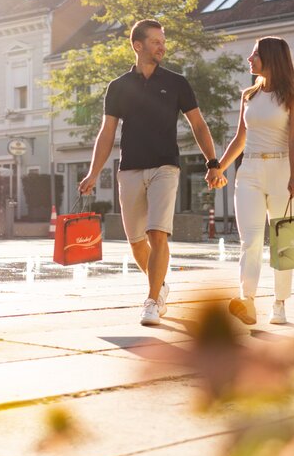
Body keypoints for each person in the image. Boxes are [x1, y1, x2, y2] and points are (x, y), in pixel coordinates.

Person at [79, 19, 221, 326]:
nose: (162, 47)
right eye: (156, 41)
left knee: (157, 233)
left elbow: (198, 124)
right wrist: (93, 173)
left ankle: (153, 300)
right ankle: (161, 285)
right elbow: (107, 133)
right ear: (138, 45)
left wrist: (213, 162)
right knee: (135, 242)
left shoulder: (177, 82)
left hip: (165, 166)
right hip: (129, 168)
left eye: (163, 41)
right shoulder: (117, 87)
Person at [207, 36, 294, 325]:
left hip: (280, 170)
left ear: (271, 58)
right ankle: (247, 300)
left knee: (283, 242)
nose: (249, 60)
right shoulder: (248, 95)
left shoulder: (293, 96)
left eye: (254, 55)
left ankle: (279, 302)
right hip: (248, 171)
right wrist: (219, 168)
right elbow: (240, 138)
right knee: (249, 241)